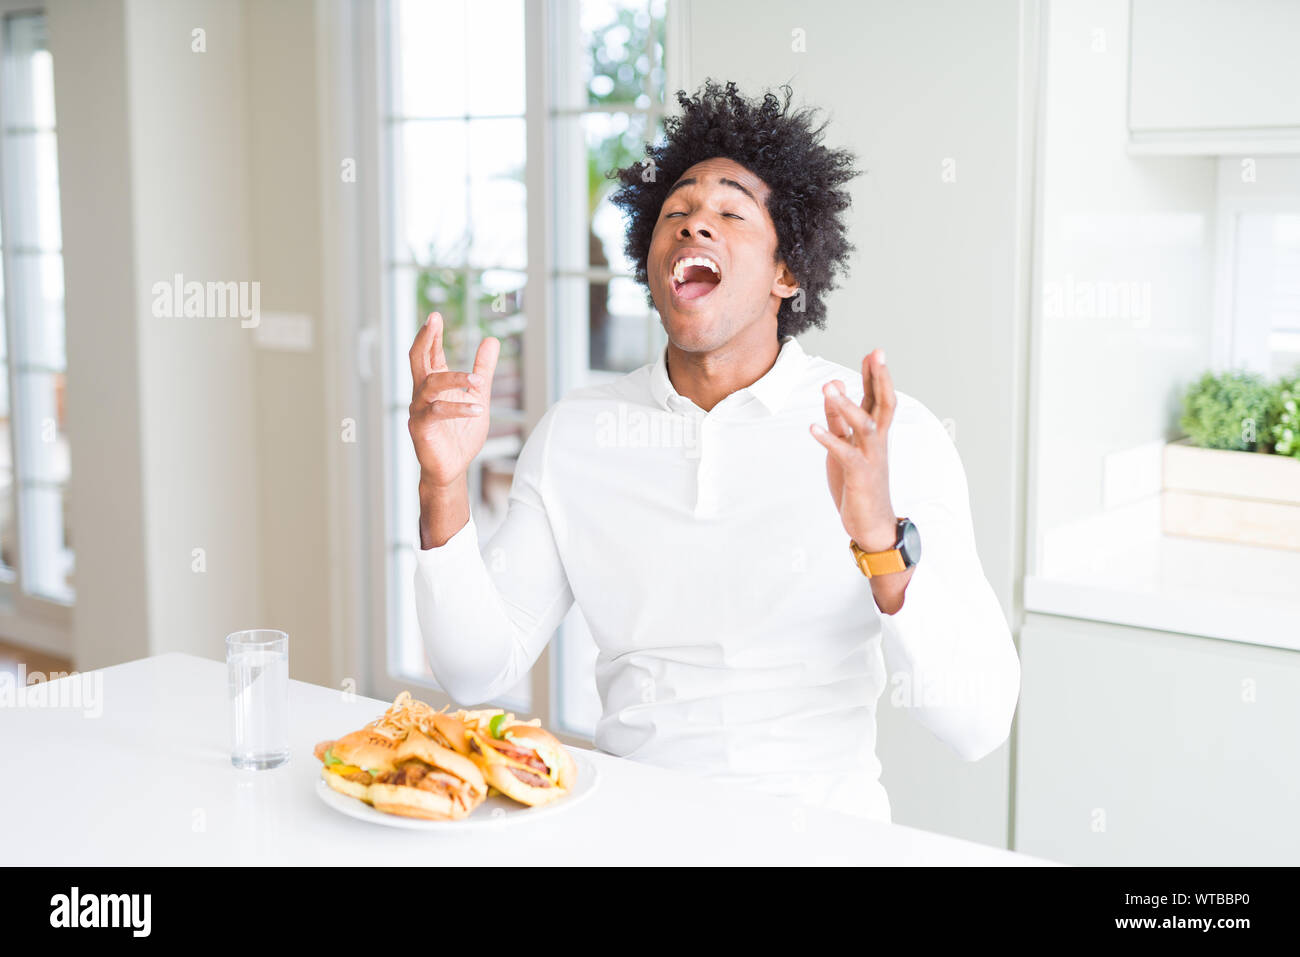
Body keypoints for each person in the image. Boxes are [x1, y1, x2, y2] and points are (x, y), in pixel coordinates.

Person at [407, 80, 1020, 823]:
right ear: (651, 259)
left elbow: (980, 721)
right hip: (630, 832)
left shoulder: (882, 437)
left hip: (820, 838)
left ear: (787, 274)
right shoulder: (578, 433)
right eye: (677, 212)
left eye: (732, 212)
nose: (696, 225)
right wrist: (443, 483)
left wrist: (879, 542)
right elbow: (475, 670)